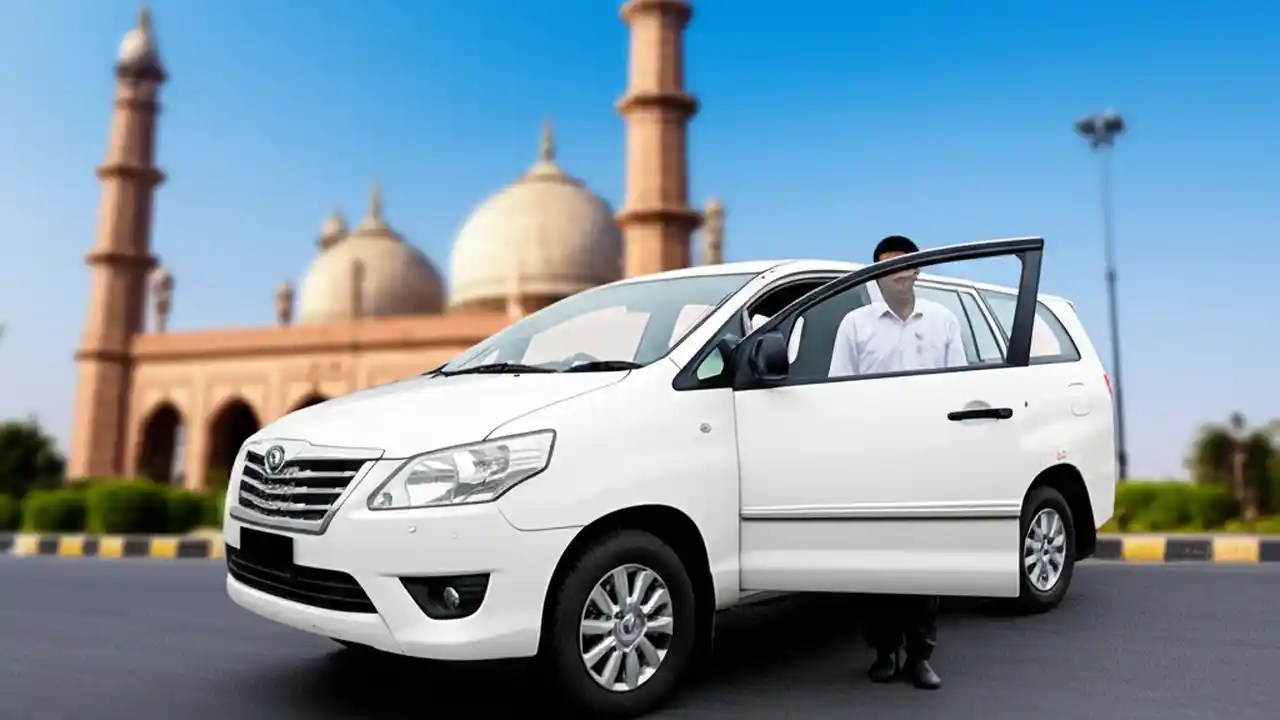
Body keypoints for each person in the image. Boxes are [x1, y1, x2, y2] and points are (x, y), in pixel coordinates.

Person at [828, 234, 967, 691]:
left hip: (927, 459)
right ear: (875, 275)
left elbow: (960, 389)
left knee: (924, 564)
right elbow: (837, 394)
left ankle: (921, 657)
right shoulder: (855, 325)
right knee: (878, 565)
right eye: (888, 267)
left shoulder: (943, 321)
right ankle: (884, 653)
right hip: (874, 461)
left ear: (919, 270)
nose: (898, 273)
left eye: (906, 265)